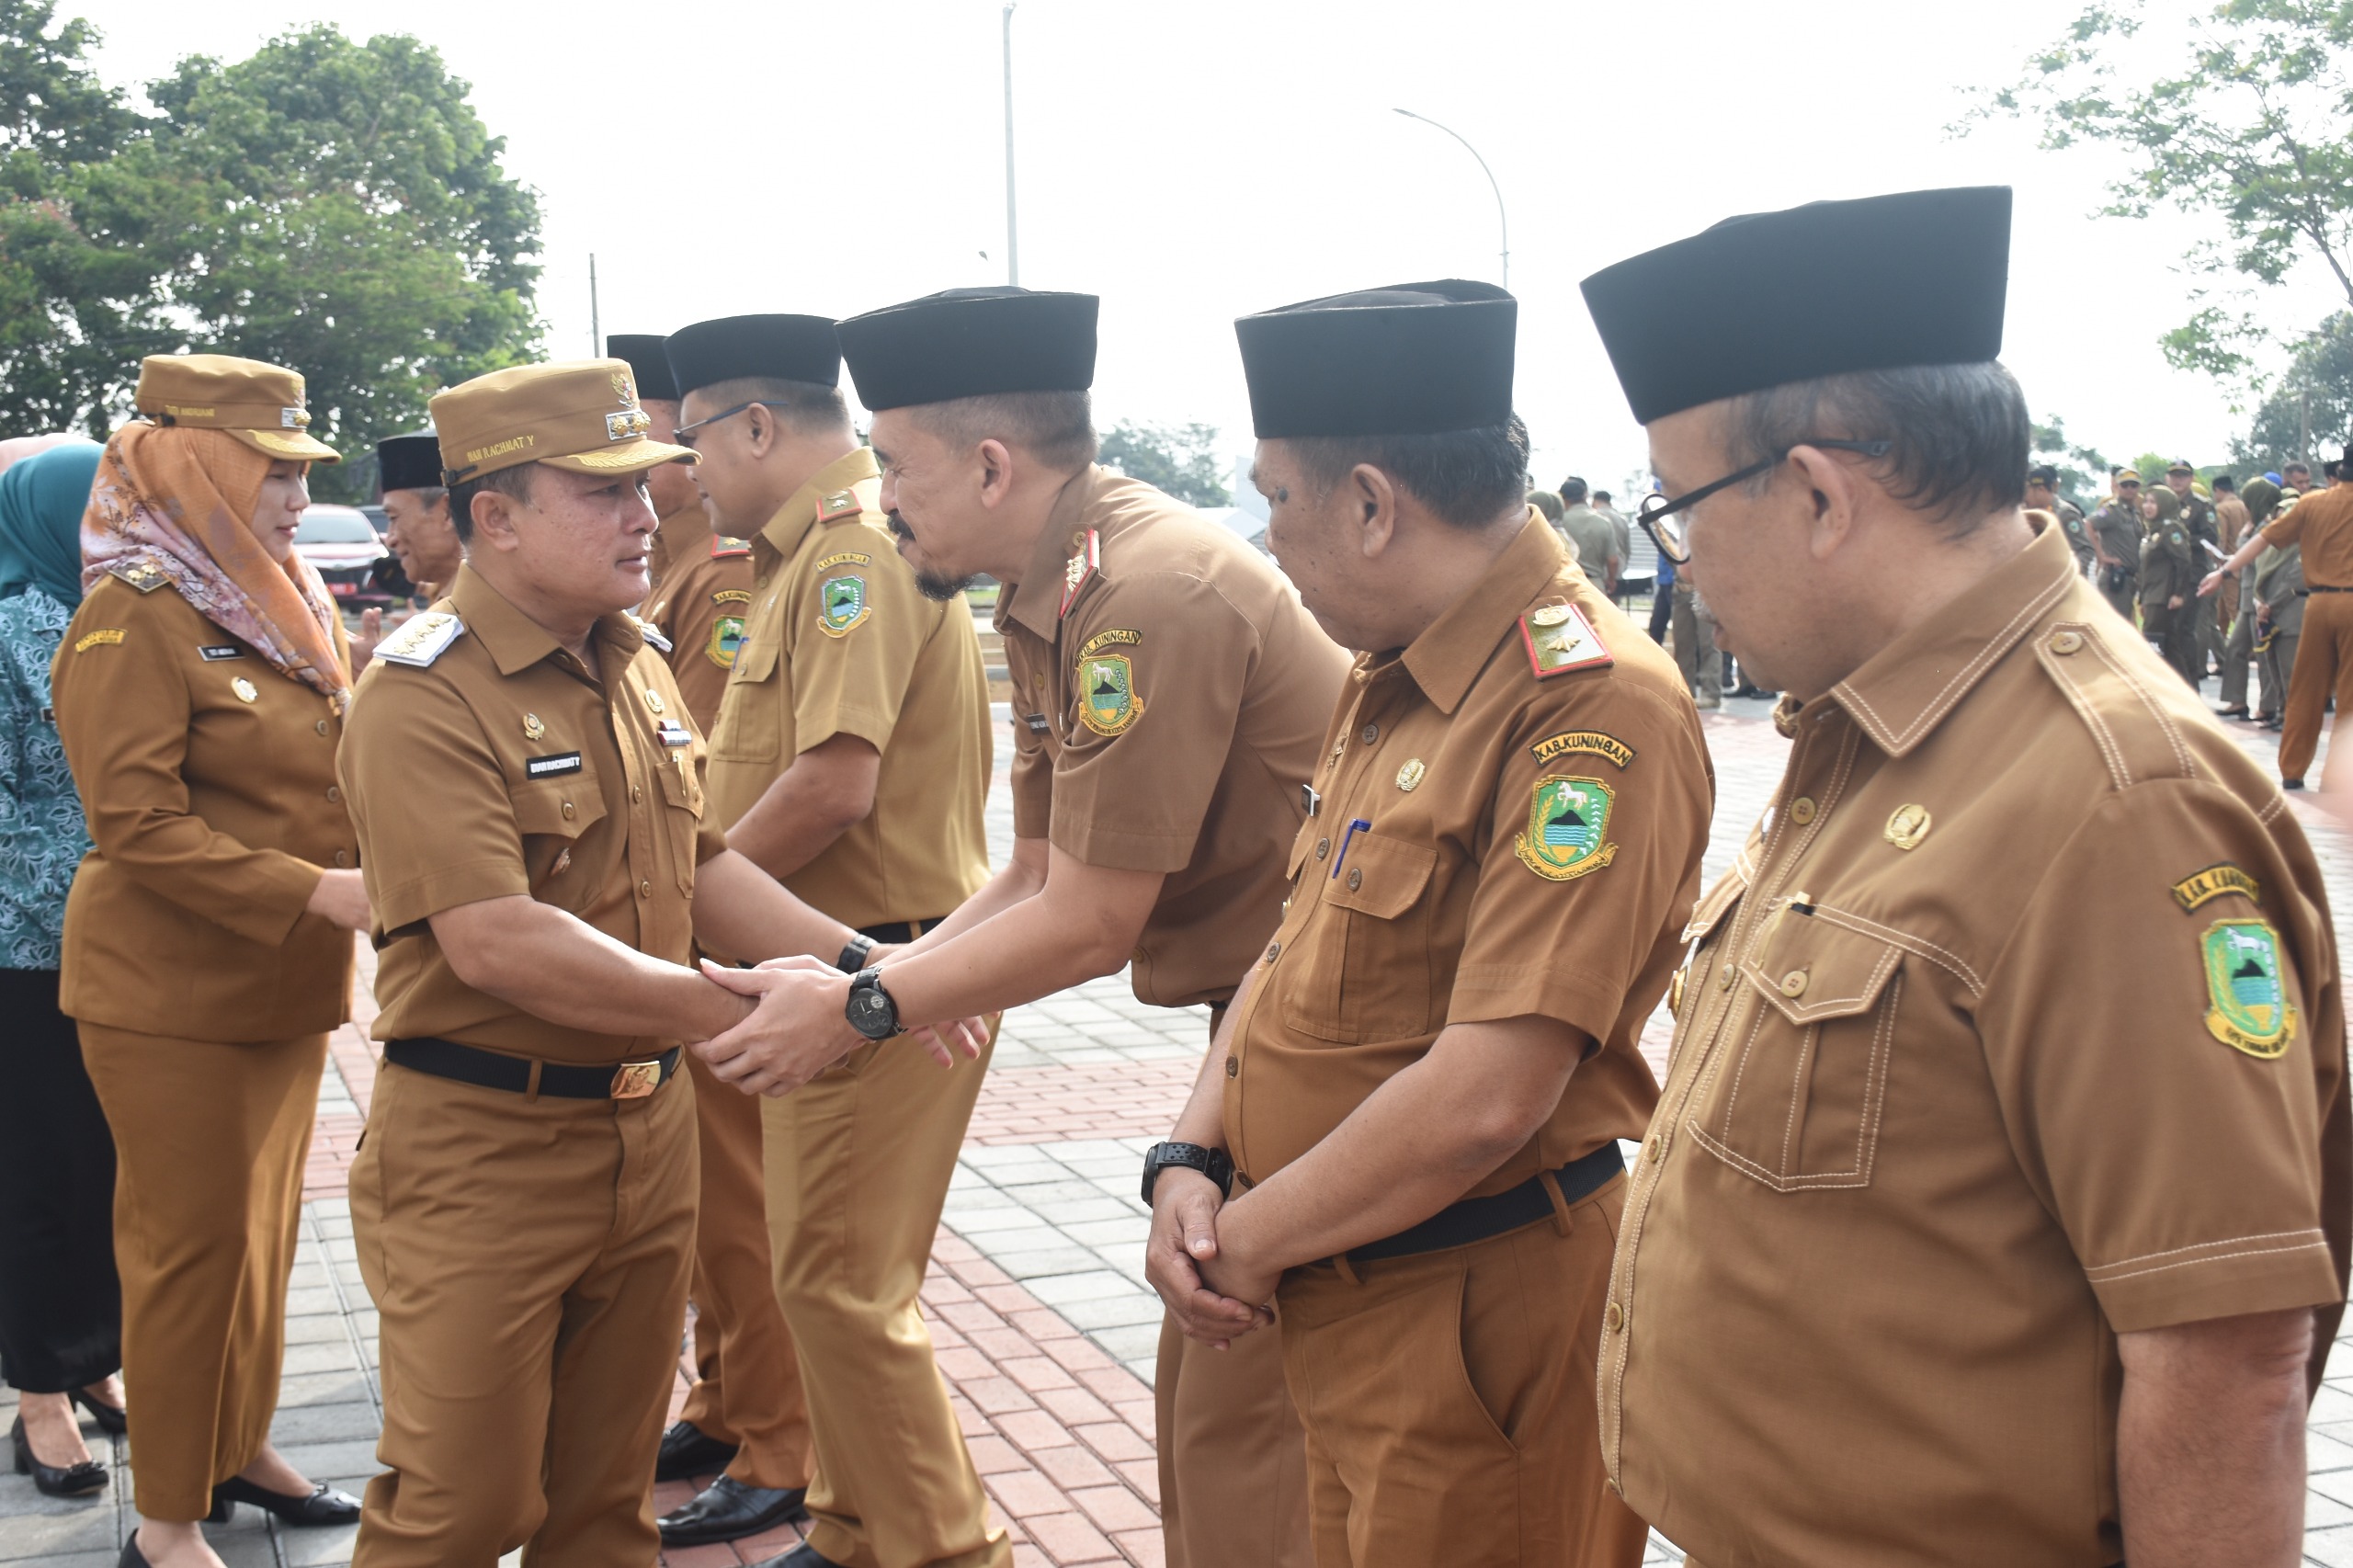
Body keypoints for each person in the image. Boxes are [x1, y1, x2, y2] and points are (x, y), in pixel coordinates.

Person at [1579, 183, 2347, 1566]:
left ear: (1817, 492)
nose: (1680, 562)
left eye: (1678, 510)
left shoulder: (2115, 804)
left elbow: (2226, 1361)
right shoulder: (1872, 734)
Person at [691, 285, 1347, 1568]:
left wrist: (865, 1006)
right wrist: (885, 975)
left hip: (1331, 1043)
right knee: (1219, 1425)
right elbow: (1034, 870)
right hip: (1262, 1036)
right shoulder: (1057, 587)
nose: (883, 498)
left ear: (993, 465)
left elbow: (1095, 922)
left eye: (895, 465)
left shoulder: (1148, 591)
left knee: (1254, 1434)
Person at [335, 358, 984, 1568]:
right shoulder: (420, 692)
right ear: (496, 517)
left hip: (646, 1137)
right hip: (487, 1147)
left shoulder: (624, 661)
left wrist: (858, 971)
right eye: (601, 492)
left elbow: (700, 860)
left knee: (603, 1509)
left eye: (644, 483)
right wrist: (738, 1005)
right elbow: (496, 937)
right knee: (462, 1509)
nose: (647, 511)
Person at [1142, 278, 1711, 1568]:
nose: (1270, 533)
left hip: (1473, 1321)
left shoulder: (1590, 705)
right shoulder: (1392, 674)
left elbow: (1488, 1094)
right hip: (1337, 1293)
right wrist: (1187, 1152)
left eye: (1276, 497)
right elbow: (1290, 961)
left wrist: (1243, 1242)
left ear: (1368, 502)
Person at [666, 309, 998, 1558]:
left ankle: (940, 1544)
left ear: (758, 425)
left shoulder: (856, 554)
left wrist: (689, 888)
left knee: (844, 1288)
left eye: (695, 437)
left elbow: (832, 785)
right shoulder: (801, 557)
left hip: (880, 961)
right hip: (830, 957)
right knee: (818, 1276)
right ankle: (855, 1524)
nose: (685, 468)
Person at [51, 355, 368, 1568]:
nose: (295, 495)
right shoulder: (135, 608)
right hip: (166, 994)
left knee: (262, 1241)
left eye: (301, 470)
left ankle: (235, 1446)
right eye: (273, 469)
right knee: (189, 1251)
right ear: (200, 464)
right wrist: (321, 889)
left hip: (277, 984)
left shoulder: (273, 593)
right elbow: (134, 824)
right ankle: (168, 1517)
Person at [0, 438, 124, 1503]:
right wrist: (71, 890)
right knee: (36, 1174)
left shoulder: (115, 611)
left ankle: (96, 1355)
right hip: (25, 952)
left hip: (129, 941)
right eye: (93, 510)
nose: (109, 527)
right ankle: (39, 1397)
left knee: (108, 1164)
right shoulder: (2, 626)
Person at [609, 334, 753, 740]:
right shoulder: (665, 557)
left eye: (633, 435)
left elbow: (697, 741)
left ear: (686, 441)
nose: (618, 456)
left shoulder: (724, 568)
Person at [2203, 448, 2353, 788]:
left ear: (2338, 473)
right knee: (2348, 698)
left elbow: (2263, 539)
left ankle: (2292, 771)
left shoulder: (2312, 503)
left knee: (2304, 691)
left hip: (2316, 605)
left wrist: (2224, 572)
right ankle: (2337, 778)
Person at [2137, 483, 2199, 686]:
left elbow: (2184, 562)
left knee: (2155, 645)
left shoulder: (2171, 529)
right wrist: (2142, 598)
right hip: (2151, 596)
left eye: (2153, 502)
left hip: (2163, 597)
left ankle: (2161, 688)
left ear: (2164, 504)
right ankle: (2184, 692)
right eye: (2146, 501)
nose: (2147, 506)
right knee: (2170, 647)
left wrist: (2179, 593)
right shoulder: (2152, 530)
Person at [2215, 473, 2257, 716]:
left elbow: (2222, 542)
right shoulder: (2246, 511)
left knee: (2232, 610)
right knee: (2235, 638)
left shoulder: (2222, 509)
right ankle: (2237, 700)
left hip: (2235, 573)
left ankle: (2272, 706)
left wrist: (2219, 567)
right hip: (2242, 575)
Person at [2088, 469, 2143, 619]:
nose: (2129, 489)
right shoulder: (2111, 510)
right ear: (2117, 487)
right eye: (2125, 485)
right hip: (2115, 576)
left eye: (2134, 485)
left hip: (2130, 579)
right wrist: (2101, 556)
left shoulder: (2135, 512)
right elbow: (2088, 524)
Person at [1557, 476, 1623, 595]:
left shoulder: (1560, 522)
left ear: (1563, 498)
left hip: (1568, 585)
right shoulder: (1603, 521)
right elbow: (1613, 560)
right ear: (1585, 496)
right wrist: (1611, 580)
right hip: (1596, 586)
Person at [2024, 463, 2092, 574]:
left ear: (2041, 490)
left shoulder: (2065, 513)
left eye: (2026, 492)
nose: (2024, 497)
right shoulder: (2030, 514)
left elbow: (2086, 550)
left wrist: (2069, 571)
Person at [1670, 574, 1721, 709]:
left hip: (1706, 591)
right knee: (1682, 644)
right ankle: (1685, 692)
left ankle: (1711, 694)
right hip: (1681, 591)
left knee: (1709, 644)